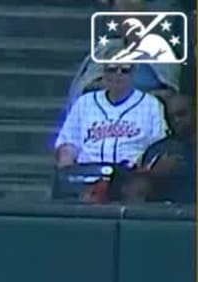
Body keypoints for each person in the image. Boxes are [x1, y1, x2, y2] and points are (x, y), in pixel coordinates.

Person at [54, 64, 167, 201]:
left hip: (129, 176)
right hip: (89, 173)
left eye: (124, 71)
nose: (118, 74)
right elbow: (68, 144)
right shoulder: (85, 102)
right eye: (112, 70)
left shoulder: (151, 104)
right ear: (103, 73)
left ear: (133, 74)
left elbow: (158, 146)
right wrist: (67, 176)